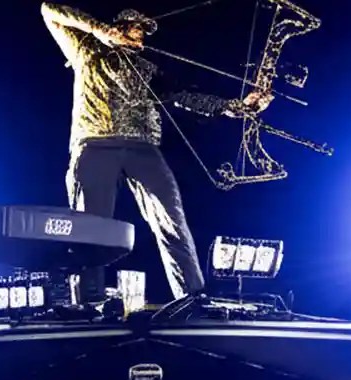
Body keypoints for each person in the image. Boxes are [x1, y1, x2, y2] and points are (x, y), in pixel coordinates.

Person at [41, 3, 273, 302]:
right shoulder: (85, 48)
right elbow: (49, 10)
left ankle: (191, 298)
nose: (140, 34)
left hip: (143, 148)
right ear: (120, 26)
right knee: (91, 226)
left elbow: (186, 97)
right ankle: (88, 300)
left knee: (172, 222)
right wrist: (100, 31)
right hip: (96, 143)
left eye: (143, 31)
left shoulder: (147, 69)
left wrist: (236, 106)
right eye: (135, 27)